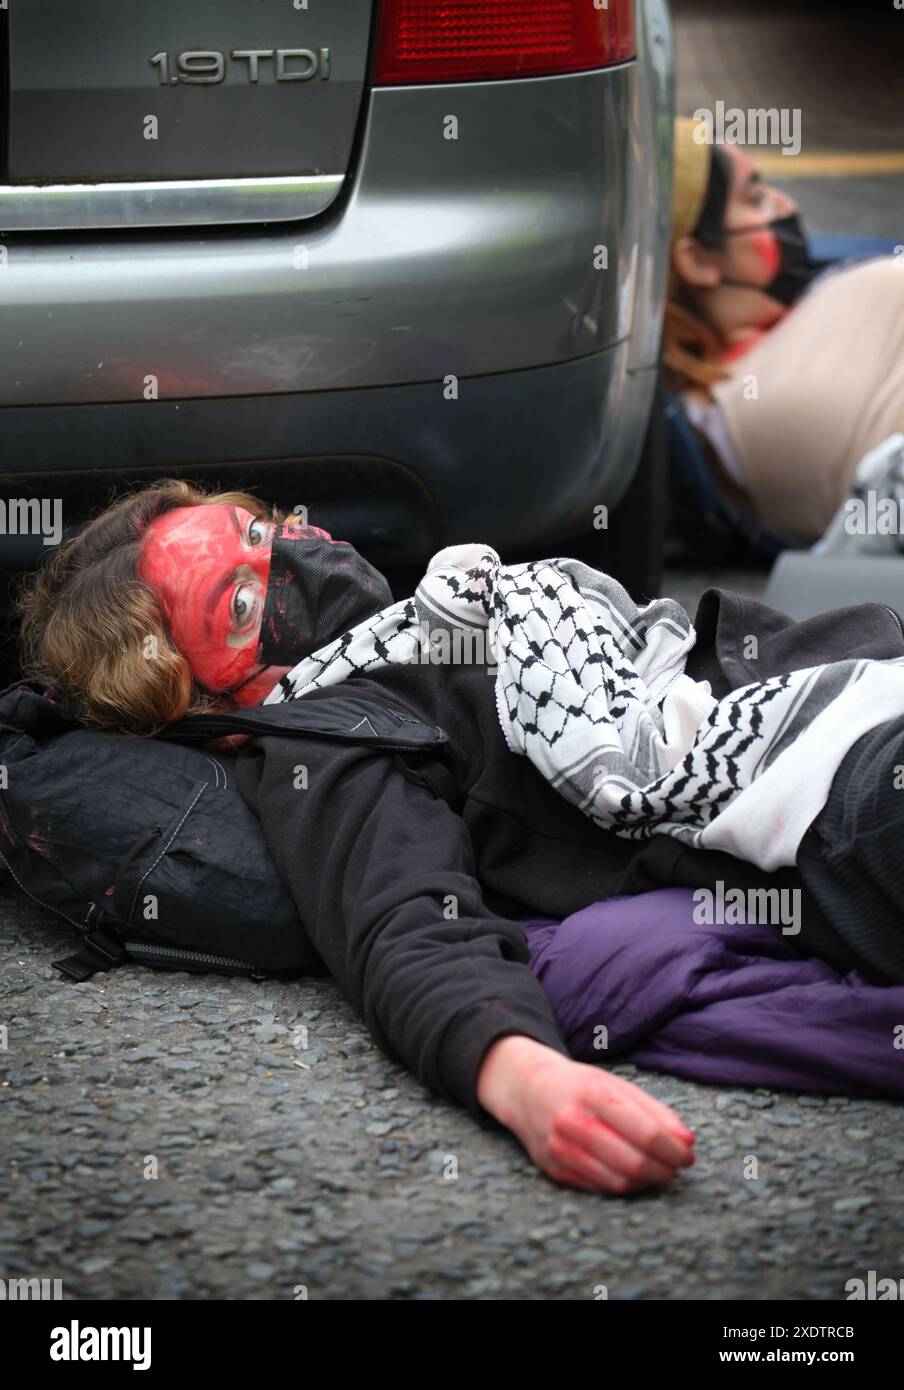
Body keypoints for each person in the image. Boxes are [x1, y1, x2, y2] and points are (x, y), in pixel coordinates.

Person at [16, 483, 904, 1193]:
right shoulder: (331, 738)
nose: (294, 550)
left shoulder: (440, 619)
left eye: (262, 527)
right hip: (840, 798)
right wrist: (523, 1077)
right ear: (209, 708)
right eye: (244, 601)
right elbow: (399, 920)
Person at [666, 116, 904, 544]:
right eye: (754, 198)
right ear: (698, 260)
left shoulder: (788, 323)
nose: (785, 206)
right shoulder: (754, 406)